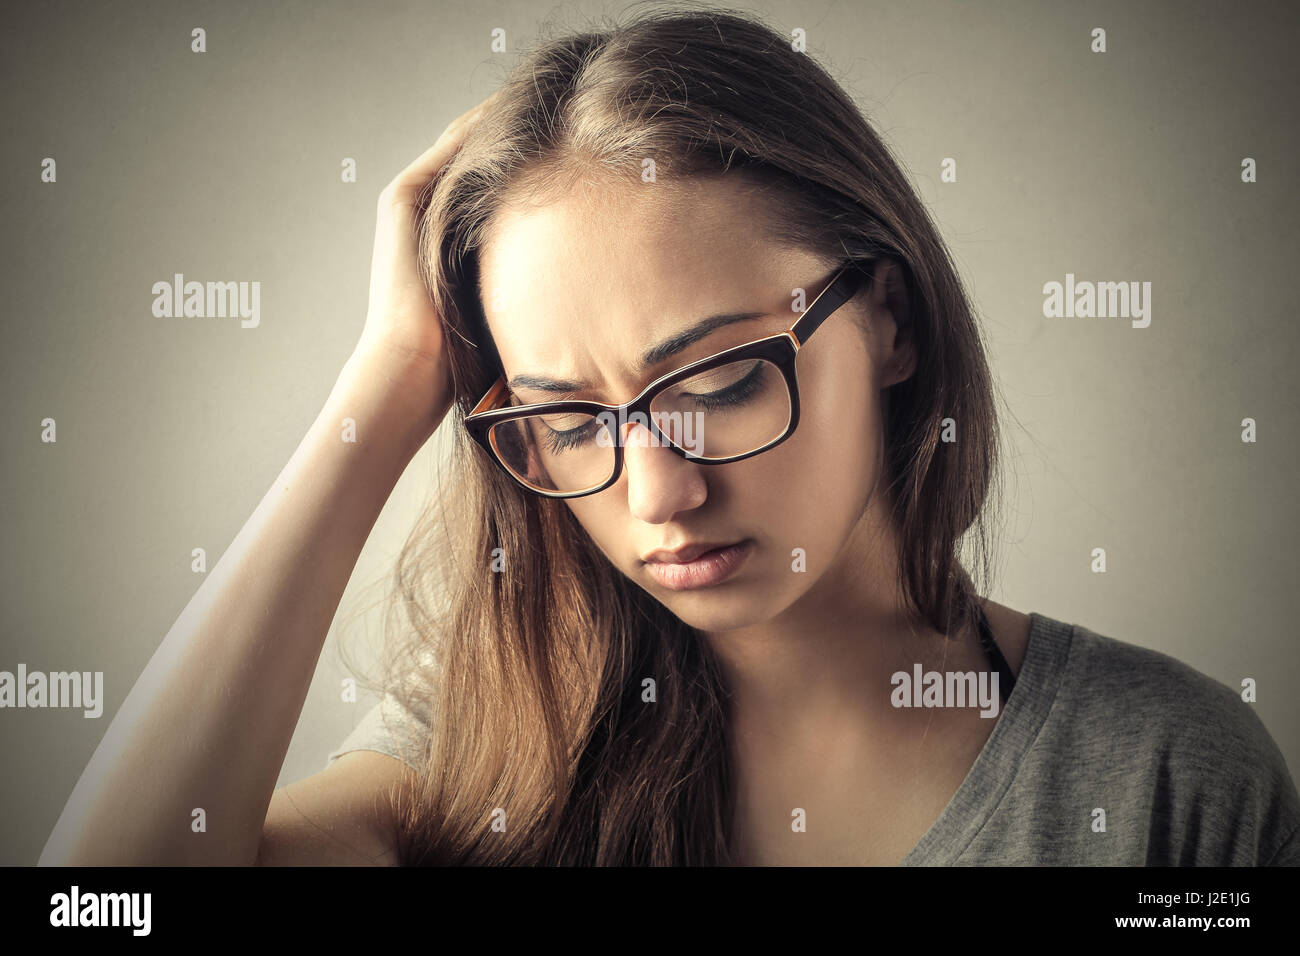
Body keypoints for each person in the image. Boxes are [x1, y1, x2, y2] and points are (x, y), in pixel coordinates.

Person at [41, 8, 1298, 867]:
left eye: (717, 379)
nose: (657, 491)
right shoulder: (490, 747)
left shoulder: (1156, 778)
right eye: (572, 417)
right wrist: (389, 378)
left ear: (893, 323)